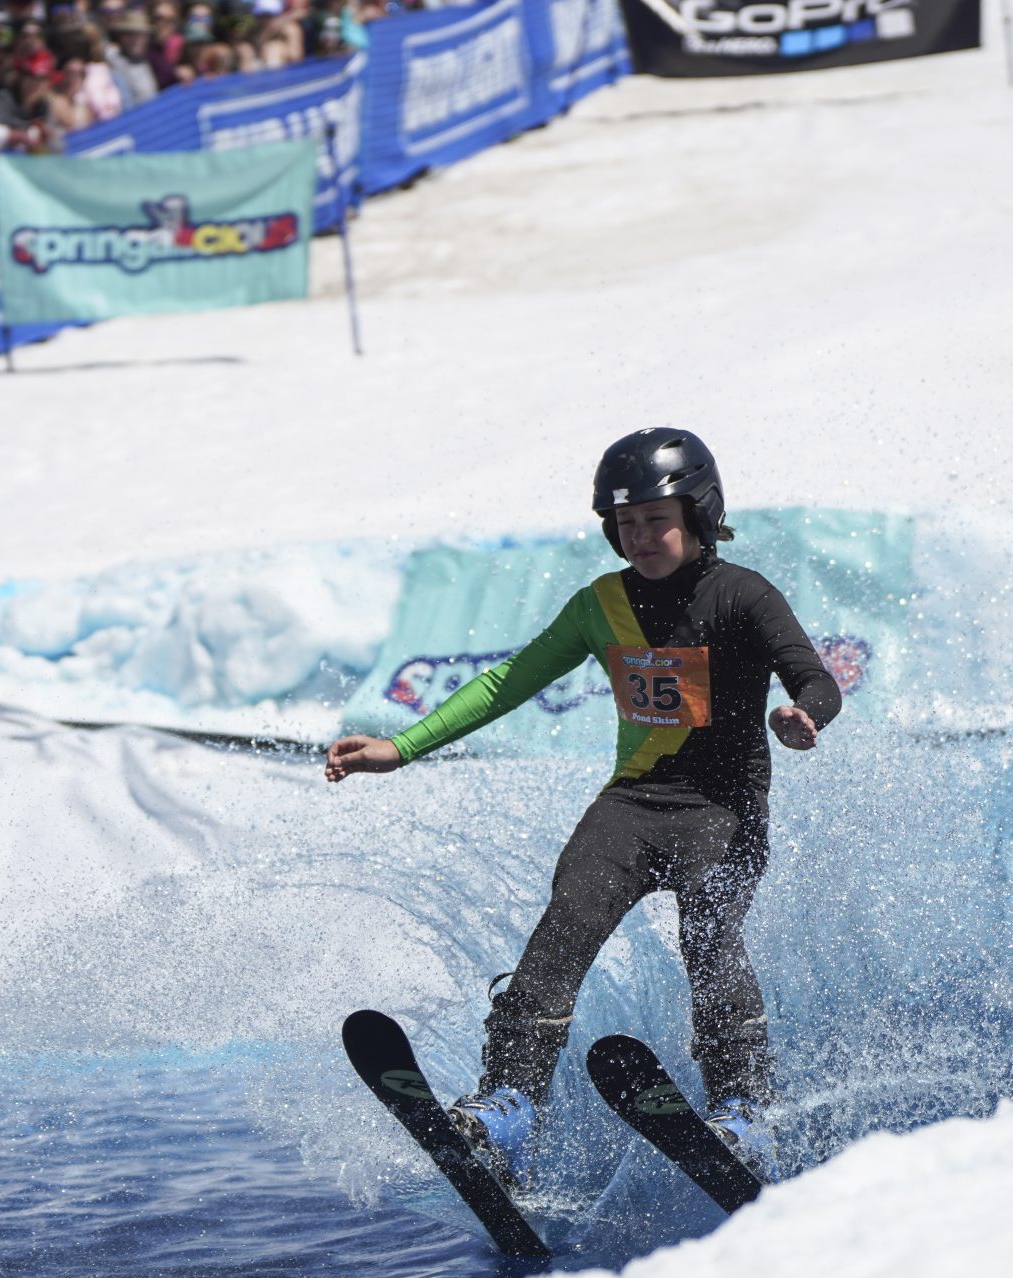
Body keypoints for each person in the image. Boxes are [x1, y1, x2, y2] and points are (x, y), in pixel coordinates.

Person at [324, 429, 843, 1185]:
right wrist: (402, 748)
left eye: (655, 520)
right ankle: (507, 1110)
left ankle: (745, 1113)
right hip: (632, 804)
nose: (639, 537)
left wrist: (806, 715)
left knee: (709, 931)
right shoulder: (601, 603)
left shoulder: (743, 595)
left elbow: (812, 675)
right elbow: (509, 682)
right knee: (566, 919)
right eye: (624, 524)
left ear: (699, 514)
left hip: (724, 810)